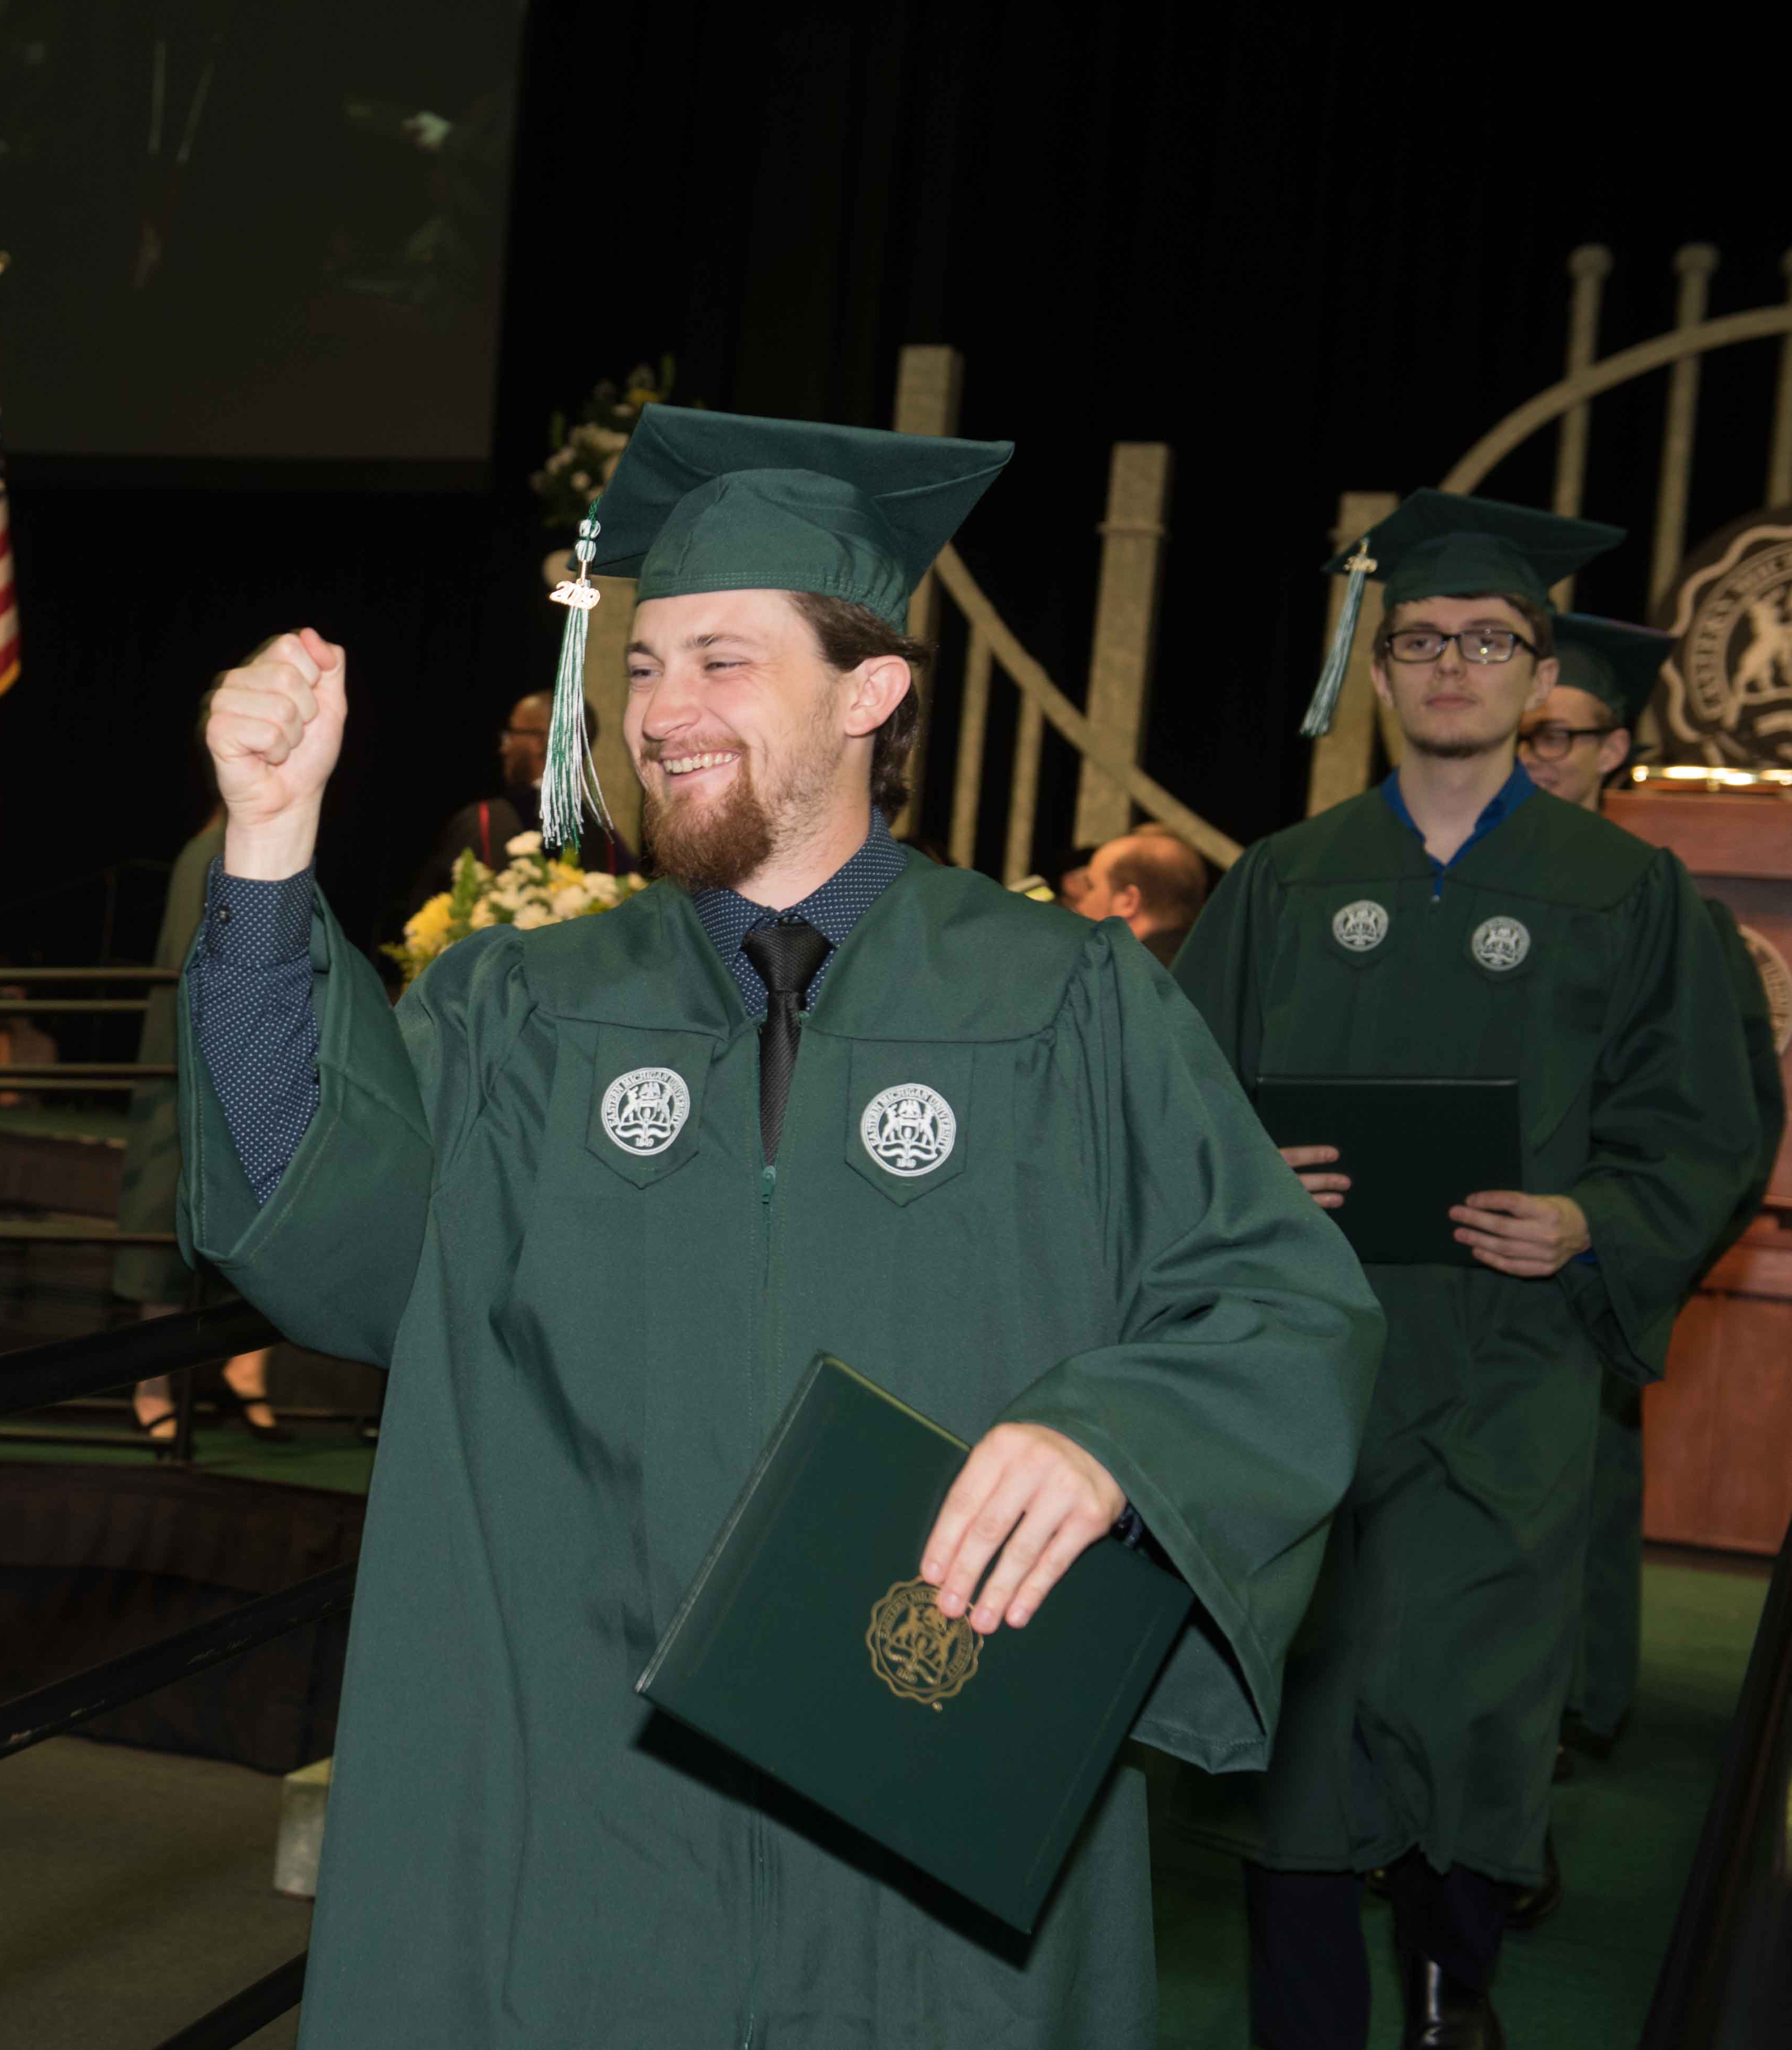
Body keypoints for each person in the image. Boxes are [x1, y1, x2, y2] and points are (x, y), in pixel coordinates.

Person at [179, 405, 1382, 2047]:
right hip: (578, 1774)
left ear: (869, 692)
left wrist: (1113, 1442)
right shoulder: (528, 1003)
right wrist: (264, 853)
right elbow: (330, 1231)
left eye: (720, 662)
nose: (660, 712)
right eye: (647, 663)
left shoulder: (1065, 997)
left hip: (918, 1766)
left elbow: (1278, 1299)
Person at [1169, 492, 1768, 2050]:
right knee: (1297, 1733)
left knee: (1474, 1712)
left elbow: (1698, 1120)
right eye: (1419, 639)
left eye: (1484, 640)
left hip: (1507, 1373)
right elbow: (1165, 1104)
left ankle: (1452, 1997)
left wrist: (1590, 1221)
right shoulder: (1281, 885)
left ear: (1530, 671)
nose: (1450, 663)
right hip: (1305, 1374)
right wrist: (1246, 1177)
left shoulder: (1621, 895)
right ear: (1376, 677)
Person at [1517, 614, 1787, 1770]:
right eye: (1521, 737)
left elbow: (1725, 1130)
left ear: (1614, 747)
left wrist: (1616, 1238)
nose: (1536, 760)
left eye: (1559, 737)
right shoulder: (1429, 897)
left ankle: (1553, 1739)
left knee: (1563, 1512)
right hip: (1418, 1280)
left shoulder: (1674, 917)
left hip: (1576, 1285)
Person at [112, 753, 282, 1444]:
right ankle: (151, 1384)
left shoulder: (266, 849)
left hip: (254, 1064)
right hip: (195, 1069)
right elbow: (193, 970)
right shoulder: (209, 854)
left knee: (264, 1221)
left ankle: (246, 1370)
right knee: (166, 1216)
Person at [406, 688, 627, 917]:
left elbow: (428, 916)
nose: (504, 748)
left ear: (542, 742)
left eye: (512, 734)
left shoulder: (483, 822)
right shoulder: (609, 843)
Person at [1059, 826, 1209, 966]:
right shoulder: (1212, 965)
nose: (1081, 901)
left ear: (1128, 902)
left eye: (1091, 887)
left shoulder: (1118, 982)